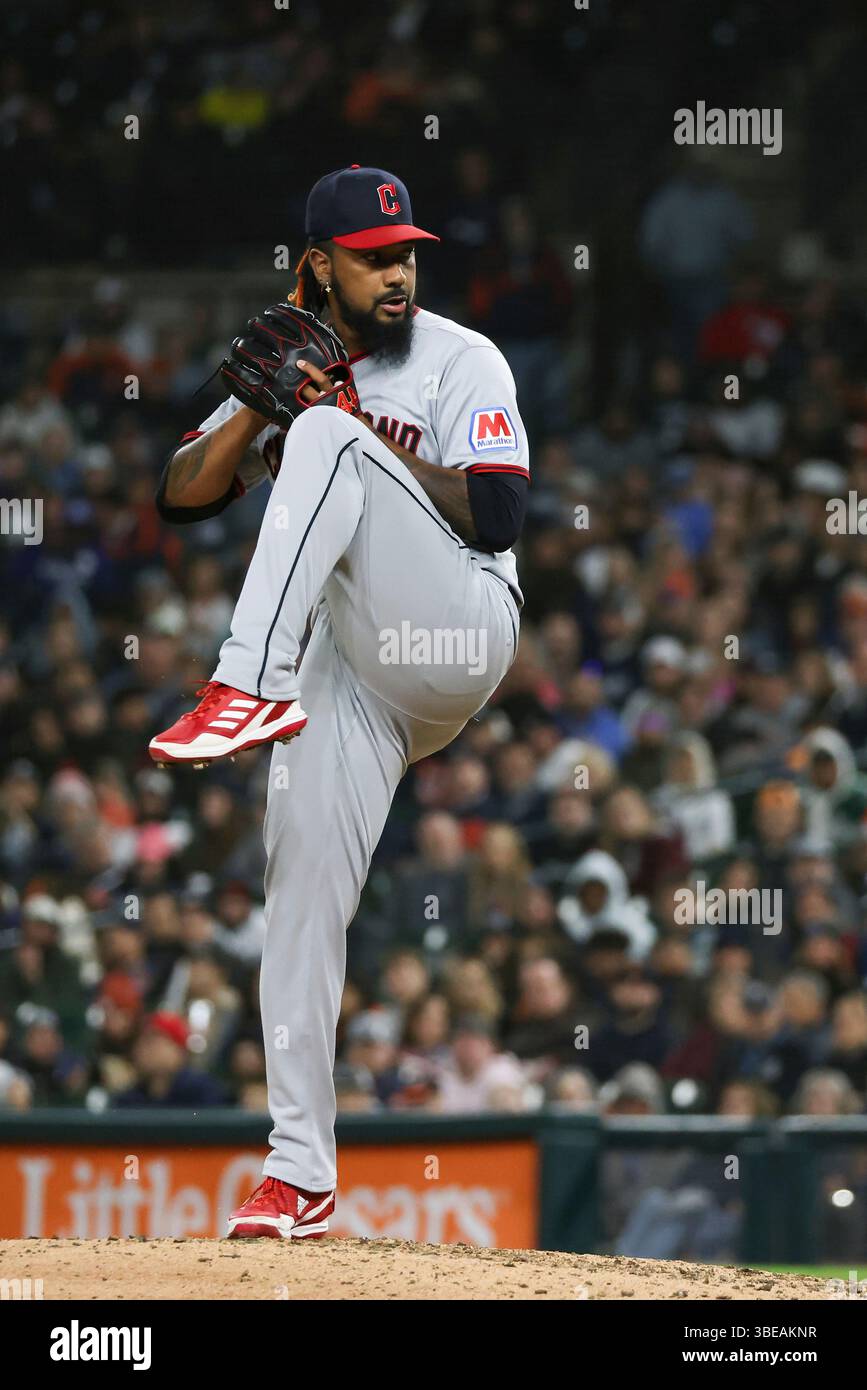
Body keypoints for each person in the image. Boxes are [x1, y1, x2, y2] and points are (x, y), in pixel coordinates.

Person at [147, 166, 529, 1239]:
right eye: (374, 256)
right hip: (352, 664)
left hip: (457, 621)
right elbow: (180, 497)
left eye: (407, 252)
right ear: (318, 265)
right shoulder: (298, 354)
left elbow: (498, 510)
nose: (399, 271)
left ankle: (241, 685)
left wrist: (344, 424)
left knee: (323, 438)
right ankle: (299, 1172)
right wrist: (250, 417)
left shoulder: (463, 358)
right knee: (301, 888)